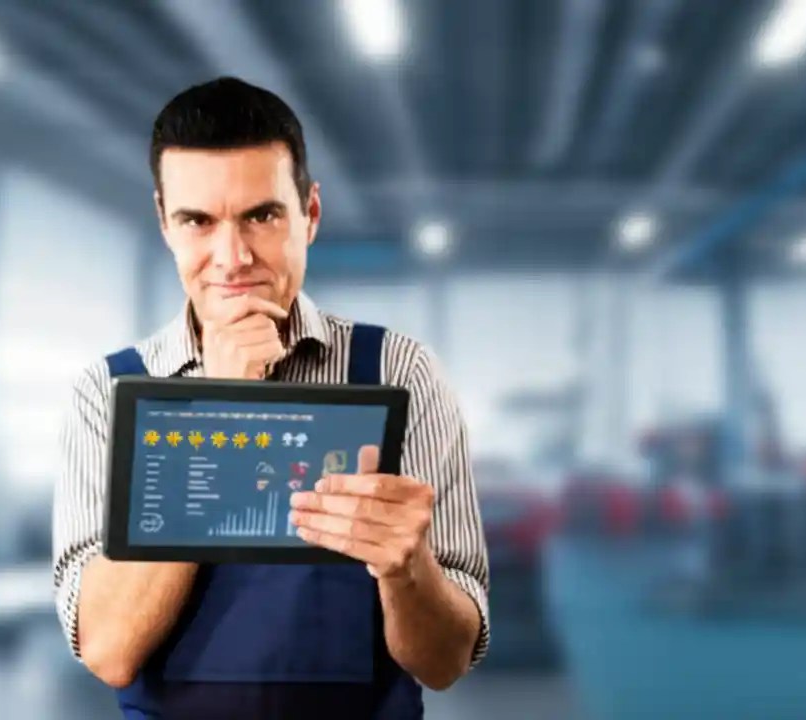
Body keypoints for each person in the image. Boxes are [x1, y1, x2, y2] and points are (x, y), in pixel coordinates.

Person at [51, 77, 490, 719]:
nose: (232, 258)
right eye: (198, 221)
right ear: (164, 224)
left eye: (261, 215)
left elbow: (446, 661)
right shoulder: (107, 394)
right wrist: (219, 403)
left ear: (309, 215)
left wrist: (406, 571)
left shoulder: (400, 372)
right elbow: (110, 647)